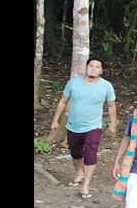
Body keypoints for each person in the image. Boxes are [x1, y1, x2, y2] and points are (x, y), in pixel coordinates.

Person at [49, 56, 117, 199]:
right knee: (75, 152)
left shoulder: (106, 86)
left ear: (101, 71)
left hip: (93, 126)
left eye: (97, 67)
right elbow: (62, 101)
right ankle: (80, 172)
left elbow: (111, 106)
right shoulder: (73, 83)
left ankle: (86, 185)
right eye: (91, 66)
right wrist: (55, 121)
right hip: (73, 125)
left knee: (91, 153)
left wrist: (112, 124)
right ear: (86, 68)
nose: (94, 68)